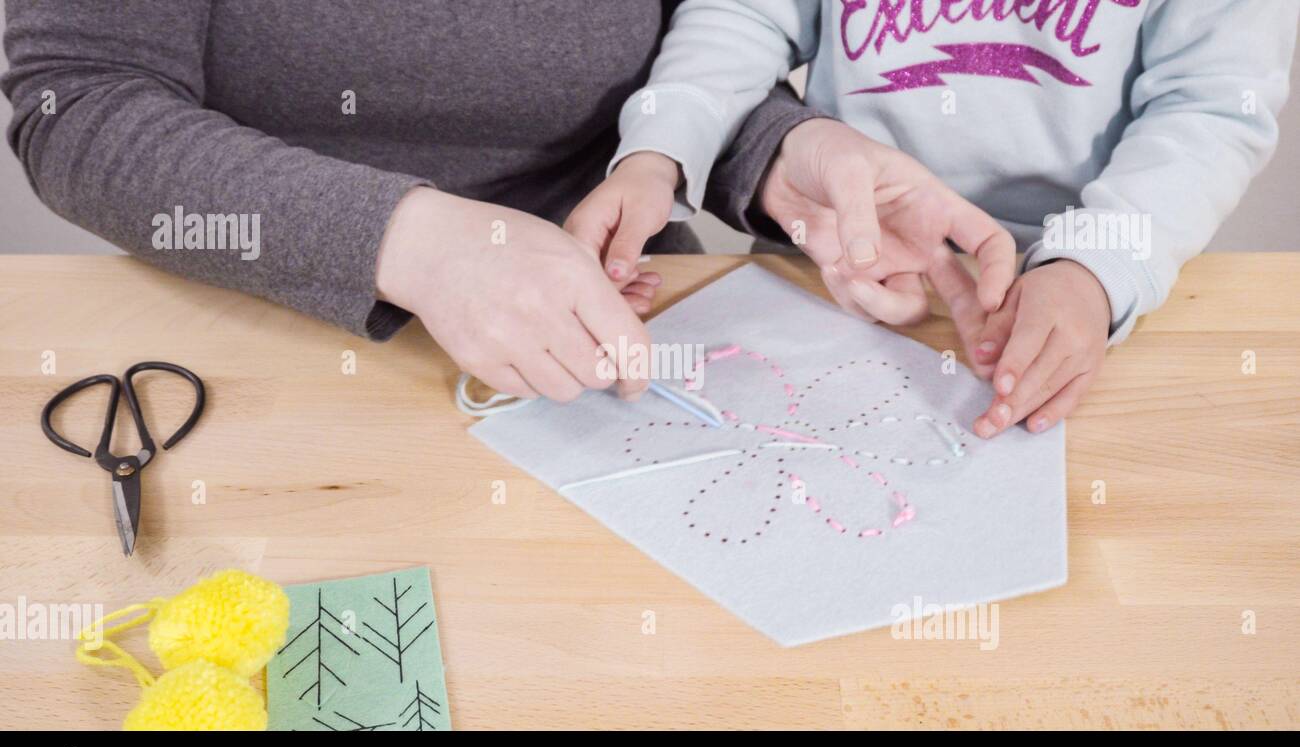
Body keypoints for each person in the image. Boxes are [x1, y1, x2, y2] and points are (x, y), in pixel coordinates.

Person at [3, 1, 1010, 405]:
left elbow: (696, 45)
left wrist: (775, 154)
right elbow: (78, 99)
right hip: (254, 334)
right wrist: (411, 241)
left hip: (609, 315)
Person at [567, 0, 1297, 435]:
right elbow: (743, 15)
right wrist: (659, 152)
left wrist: (1093, 270)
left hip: (1069, 316)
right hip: (835, 280)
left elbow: (1210, 108)